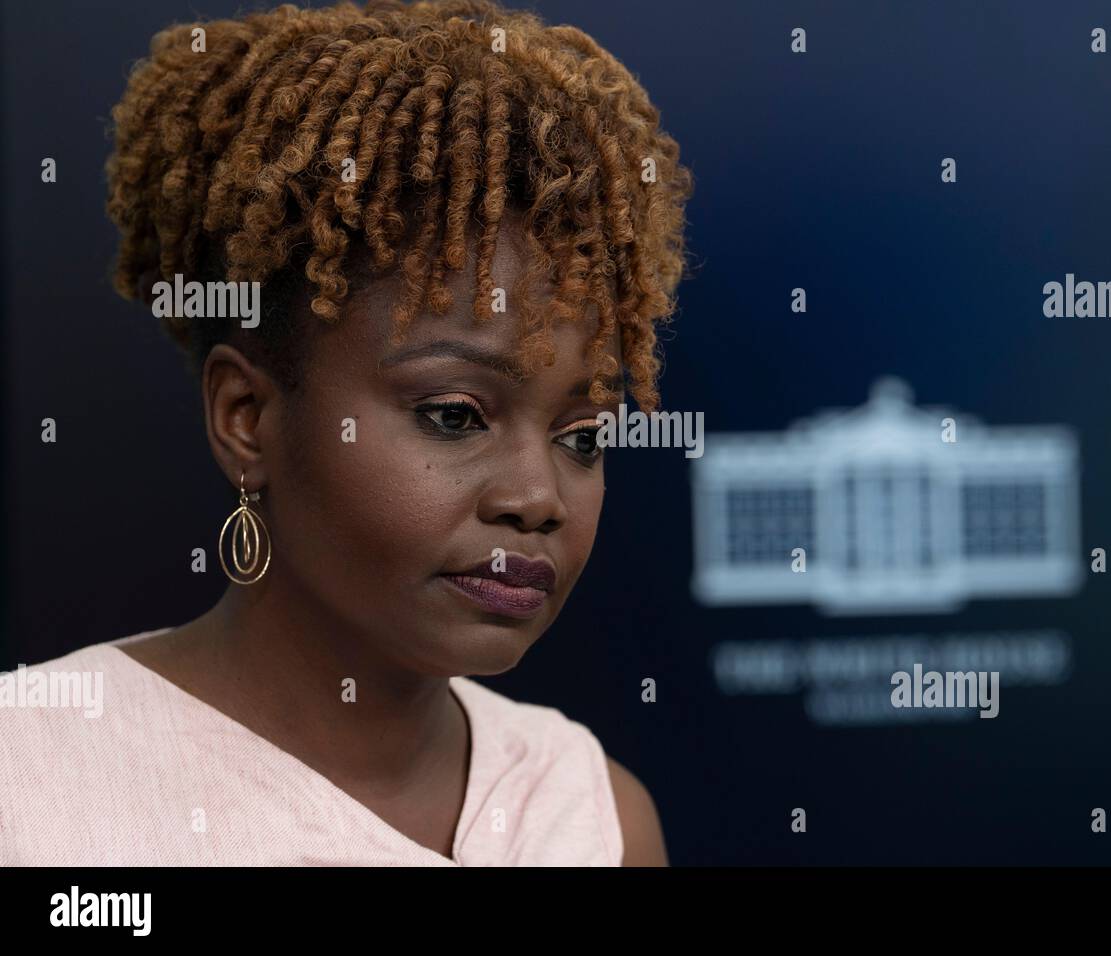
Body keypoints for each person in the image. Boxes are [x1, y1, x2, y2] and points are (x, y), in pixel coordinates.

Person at [0, 0, 693, 866]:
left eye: (583, 436)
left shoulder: (591, 815)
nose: (536, 498)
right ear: (245, 418)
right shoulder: (28, 781)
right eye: (454, 415)